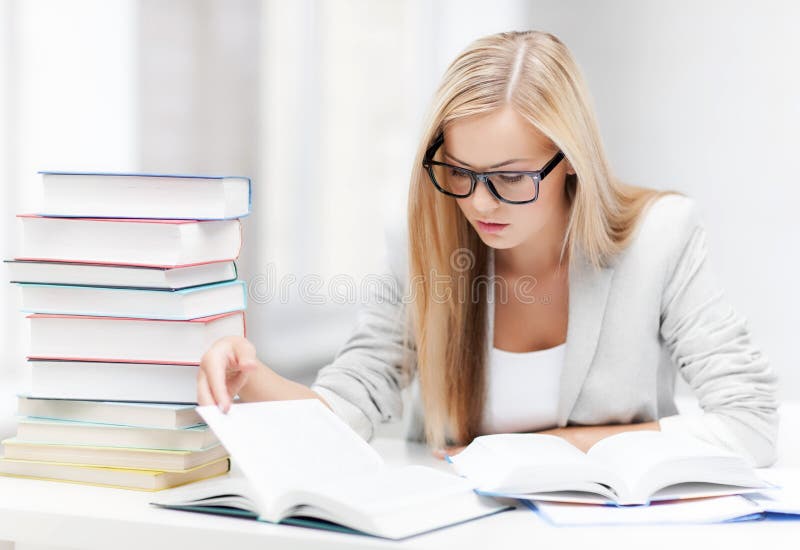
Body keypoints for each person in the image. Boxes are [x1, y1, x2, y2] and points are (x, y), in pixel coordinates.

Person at [197, 30, 779, 467]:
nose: (479, 203)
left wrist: (557, 447)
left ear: (571, 162)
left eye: (511, 177)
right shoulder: (422, 242)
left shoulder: (660, 237)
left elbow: (750, 424)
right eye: (459, 171)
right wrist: (250, 376)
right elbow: (348, 407)